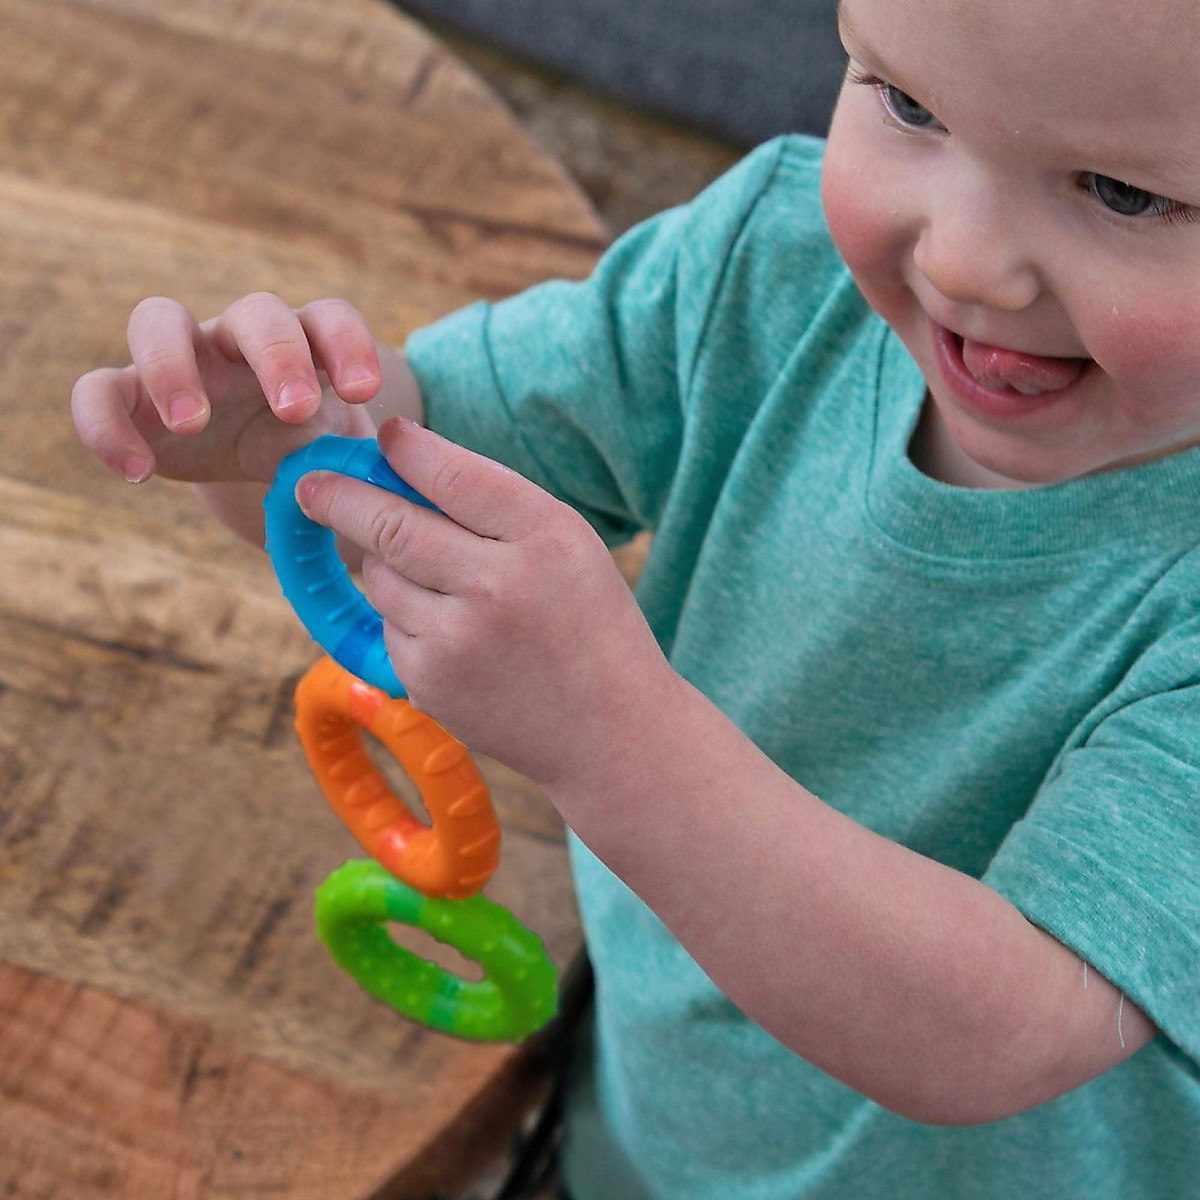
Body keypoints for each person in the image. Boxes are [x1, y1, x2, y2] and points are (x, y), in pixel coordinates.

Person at [71, 0, 1200, 1195]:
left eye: (1123, 193)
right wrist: (289, 445)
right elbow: (407, 493)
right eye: (910, 104)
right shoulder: (764, 270)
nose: (962, 260)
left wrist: (607, 732)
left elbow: (1000, 1032)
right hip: (647, 1122)